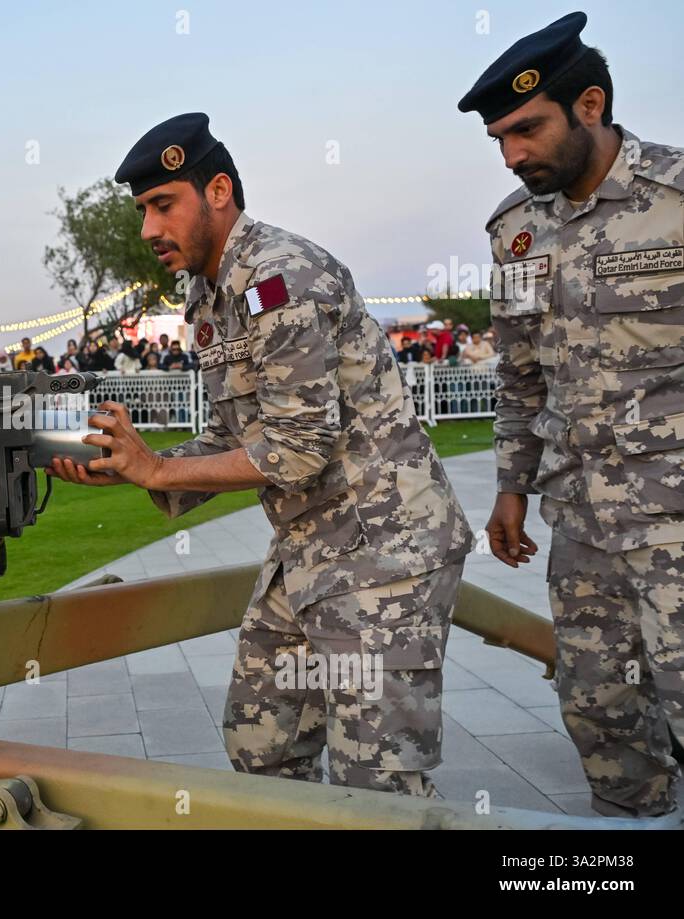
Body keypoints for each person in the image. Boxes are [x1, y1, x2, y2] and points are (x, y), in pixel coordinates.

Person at [49, 112, 473, 797]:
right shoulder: (207, 293)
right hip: (310, 549)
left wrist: (157, 468)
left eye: (163, 205)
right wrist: (129, 464)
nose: (148, 230)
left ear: (218, 190)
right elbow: (233, 437)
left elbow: (298, 448)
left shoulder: (279, 277)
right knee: (261, 742)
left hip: (384, 551)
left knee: (381, 785)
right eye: (141, 211)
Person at [462, 11, 684, 819]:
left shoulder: (676, 197)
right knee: (601, 714)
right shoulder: (517, 234)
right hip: (583, 523)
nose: (514, 155)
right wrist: (511, 490)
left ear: (590, 105)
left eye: (527, 129)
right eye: (500, 140)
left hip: (677, 520)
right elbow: (521, 378)